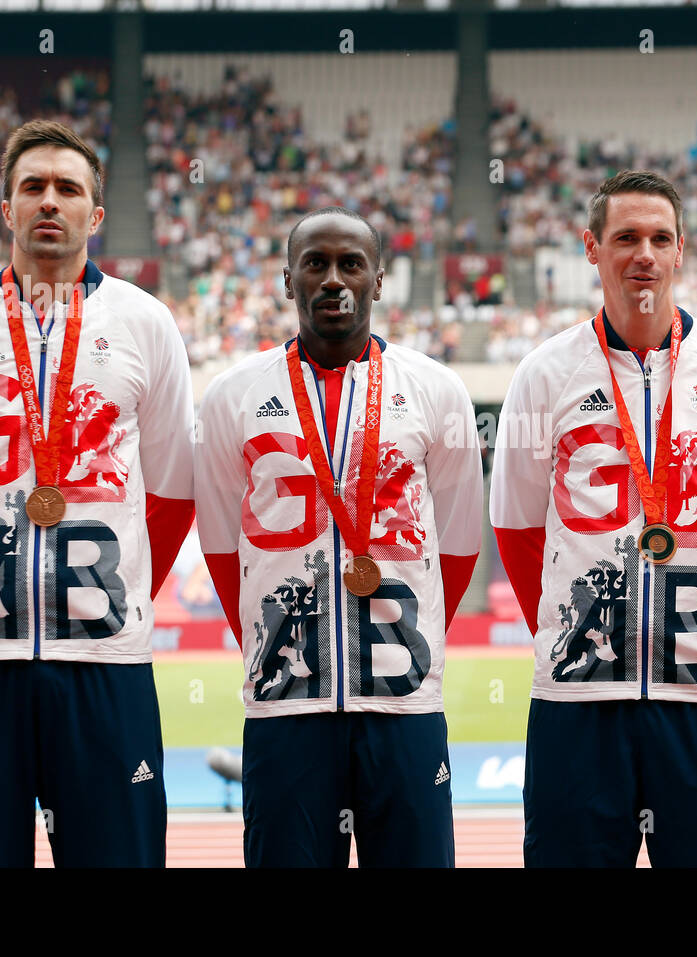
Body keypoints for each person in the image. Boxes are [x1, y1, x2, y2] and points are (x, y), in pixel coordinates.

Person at [0, 119, 196, 866]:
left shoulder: (147, 324)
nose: (49, 201)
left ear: (95, 216)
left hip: (105, 663)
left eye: (68, 188)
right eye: (32, 186)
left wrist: (110, 595)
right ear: (5, 207)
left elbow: (171, 492)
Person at [490, 170, 697, 867]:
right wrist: (586, 626)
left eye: (660, 237)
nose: (643, 253)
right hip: (579, 697)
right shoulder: (544, 371)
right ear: (591, 248)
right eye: (625, 237)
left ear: (681, 250)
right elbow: (516, 527)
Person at [194, 206, 483, 867]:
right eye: (315, 264)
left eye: (351, 263)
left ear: (378, 280)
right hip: (285, 704)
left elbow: (461, 544)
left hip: (403, 702)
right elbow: (220, 546)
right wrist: (278, 644)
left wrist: (409, 637)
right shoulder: (231, 395)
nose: (333, 279)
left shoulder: (438, 391)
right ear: (286, 278)